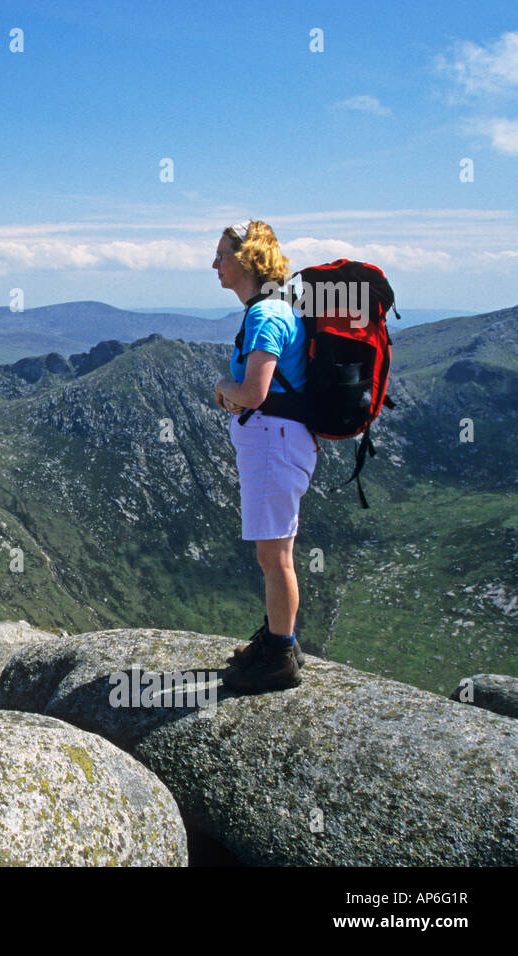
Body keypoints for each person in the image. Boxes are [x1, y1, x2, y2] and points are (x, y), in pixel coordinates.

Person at [211, 220, 318, 691]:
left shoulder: (265, 315)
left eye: (222, 256)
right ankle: (279, 640)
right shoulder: (274, 308)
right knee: (276, 552)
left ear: (247, 261)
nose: (214, 264)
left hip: (274, 443)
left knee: (275, 556)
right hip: (278, 440)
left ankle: (279, 658)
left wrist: (222, 388)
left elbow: (254, 392)